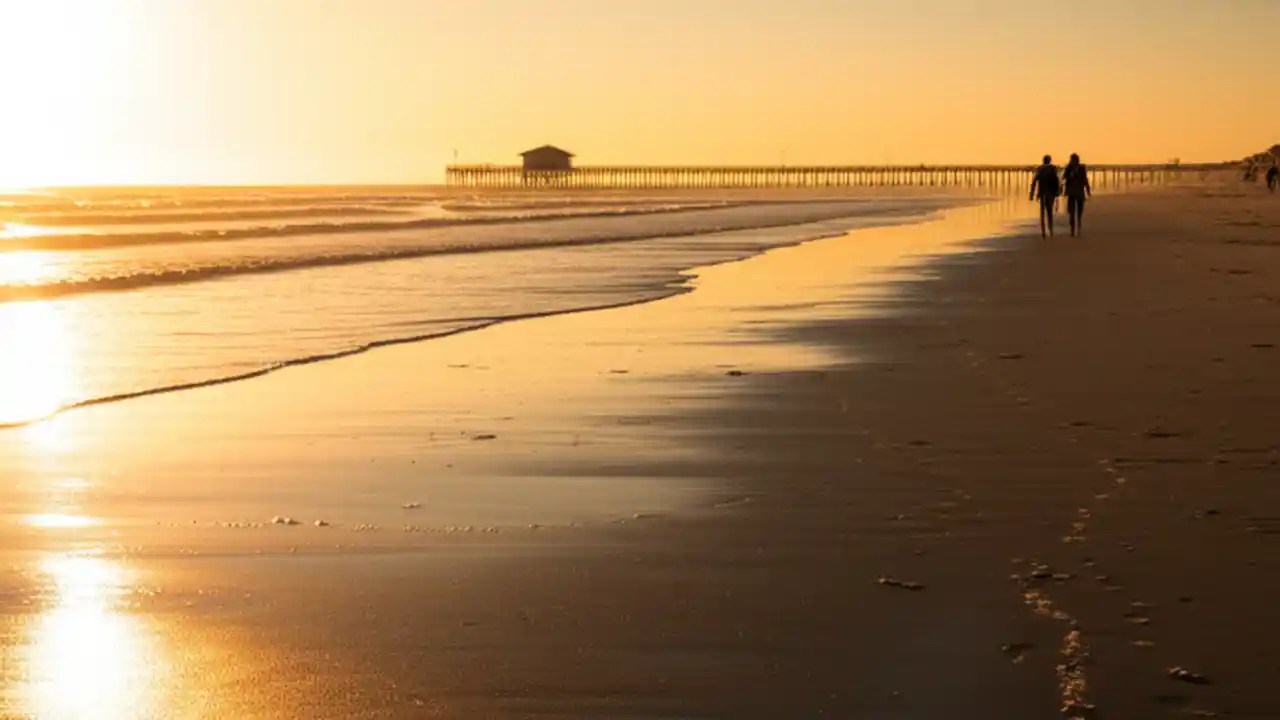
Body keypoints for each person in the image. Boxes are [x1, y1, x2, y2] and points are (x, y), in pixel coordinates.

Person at [1029, 154, 1060, 238]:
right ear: (1050, 160)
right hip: (1051, 193)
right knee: (1049, 212)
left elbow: (1035, 181)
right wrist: (1057, 193)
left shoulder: (1040, 168)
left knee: (1042, 212)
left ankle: (1043, 231)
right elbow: (1057, 181)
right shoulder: (1053, 168)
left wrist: (1031, 193)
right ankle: (1050, 230)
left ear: (1043, 160)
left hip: (1042, 193)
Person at [1063, 153, 1092, 236]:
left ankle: (1076, 228)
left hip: (1074, 192)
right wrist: (1088, 190)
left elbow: (1064, 178)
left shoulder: (1071, 167)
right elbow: (1085, 180)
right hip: (1077, 192)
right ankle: (1075, 228)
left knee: (1076, 212)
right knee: (1075, 212)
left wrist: (1088, 190)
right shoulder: (1076, 168)